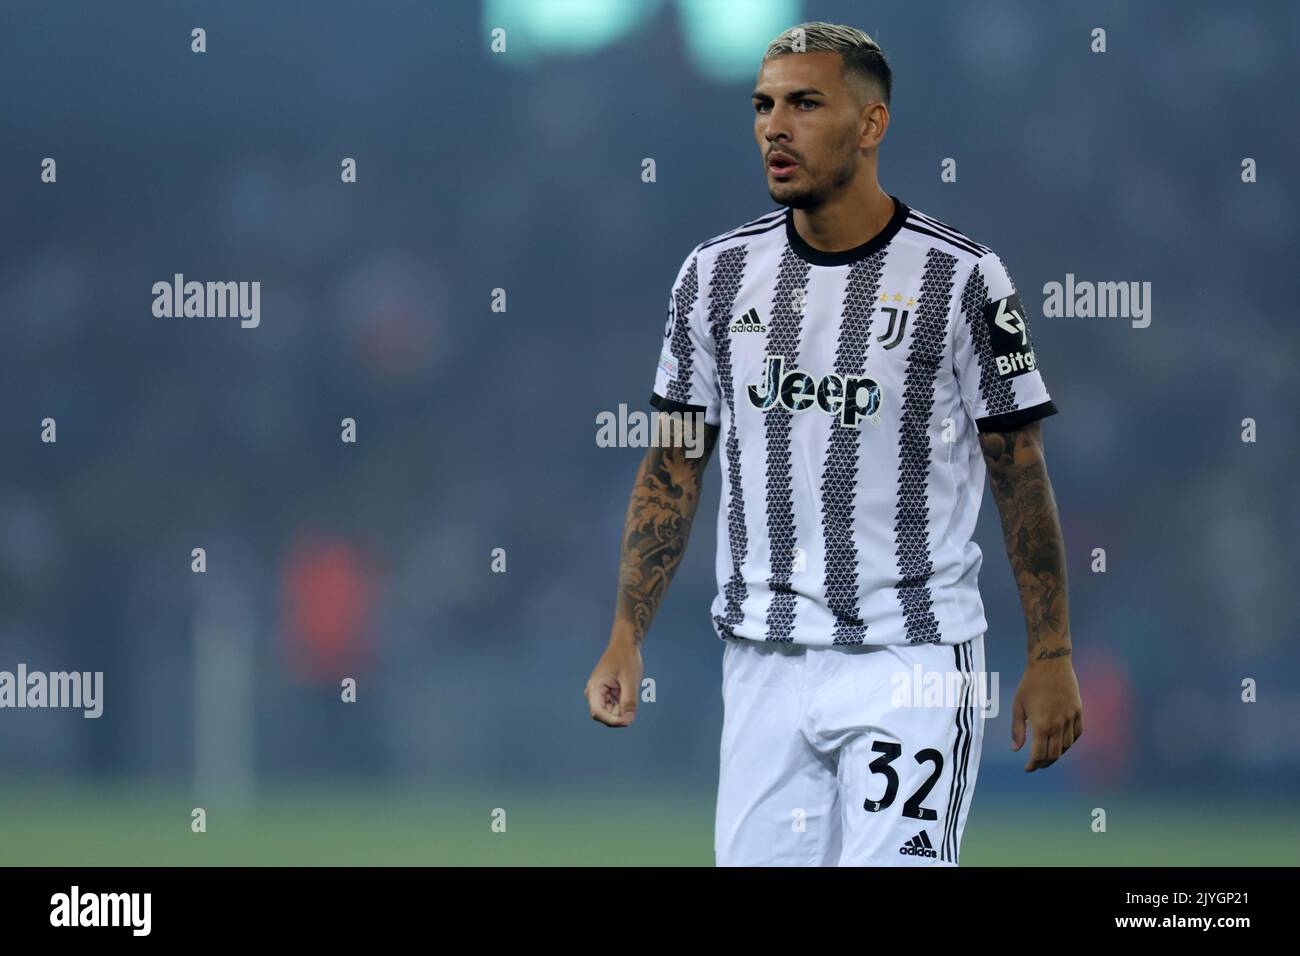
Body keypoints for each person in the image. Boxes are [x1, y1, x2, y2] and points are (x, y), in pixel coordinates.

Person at [585, 20, 1082, 867]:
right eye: (764, 105)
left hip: (912, 659)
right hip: (763, 663)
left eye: (805, 104)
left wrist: (1052, 651)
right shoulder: (712, 276)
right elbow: (673, 458)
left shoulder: (963, 279)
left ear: (871, 124)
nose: (775, 126)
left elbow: (1019, 469)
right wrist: (627, 632)